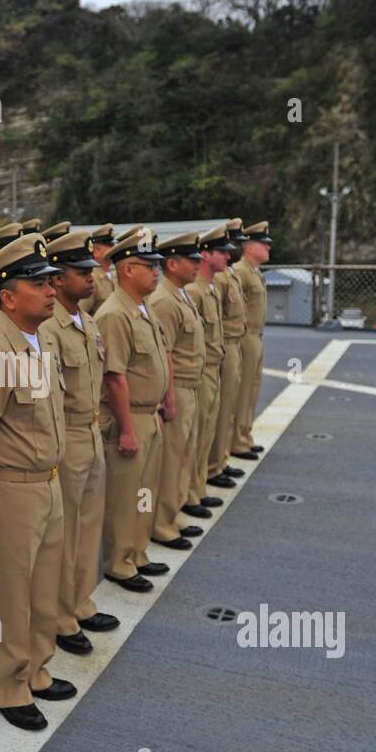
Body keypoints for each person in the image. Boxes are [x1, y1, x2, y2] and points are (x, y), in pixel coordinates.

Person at [0, 233, 75, 731]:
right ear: (8, 297)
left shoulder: (44, 338)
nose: (51, 289)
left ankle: (37, 668)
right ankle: (7, 686)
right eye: (38, 283)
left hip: (48, 483)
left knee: (43, 586)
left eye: (51, 280)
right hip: (10, 488)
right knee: (9, 593)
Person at [44, 230, 119, 655]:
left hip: (91, 430)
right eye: (79, 272)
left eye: (91, 270)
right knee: (66, 533)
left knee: (88, 526)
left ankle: (80, 602)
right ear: (57, 279)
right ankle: (60, 616)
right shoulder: (50, 329)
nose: (90, 278)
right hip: (68, 434)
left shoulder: (86, 321)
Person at [95, 230, 171, 592]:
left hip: (148, 412)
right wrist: (125, 428)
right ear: (127, 270)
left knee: (144, 491)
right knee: (125, 496)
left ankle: (137, 552)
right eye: (148, 266)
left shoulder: (142, 309)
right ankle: (119, 562)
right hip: (130, 416)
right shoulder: (113, 313)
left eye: (157, 266)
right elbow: (114, 377)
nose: (156, 272)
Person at [149, 232, 209, 551]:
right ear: (172, 264)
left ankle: (174, 514)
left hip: (192, 384)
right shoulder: (164, 300)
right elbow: (166, 353)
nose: (198, 264)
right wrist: (168, 397)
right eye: (192, 260)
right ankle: (161, 523)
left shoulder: (182, 296)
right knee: (171, 460)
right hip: (179, 387)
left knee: (185, 454)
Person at [184, 226, 233, 516]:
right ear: (206, 255)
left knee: (206, 433)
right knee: (196, 436)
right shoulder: (195, 292)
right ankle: (189, 495)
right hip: (198, 372)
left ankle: (198, 488)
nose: (228, 256)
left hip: (212, 367)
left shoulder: (209, 289)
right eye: (222, 251)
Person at [208, 223, 248, 490]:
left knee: (231, 404)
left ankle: (220, 459)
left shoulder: (227, 275)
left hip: (236, 341)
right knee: (219, 411)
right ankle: (212, 466)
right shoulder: (217, 281)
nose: (234, 250)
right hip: (221, 348)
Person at [230, 221, 271, 461]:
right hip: (245, 335)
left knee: (252, 390)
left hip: (256, 335)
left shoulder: (253, 272)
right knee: (242, 392)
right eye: (263, 244)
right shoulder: (240, 271)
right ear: (249, 247)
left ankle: (244, 435)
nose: (268, 249)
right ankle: (236, 441)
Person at [79, 223, 116, 315]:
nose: (114, 248)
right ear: (95, 251)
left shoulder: (114, 275)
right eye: (109, 246)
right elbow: (82, 312)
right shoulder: (91, 279)